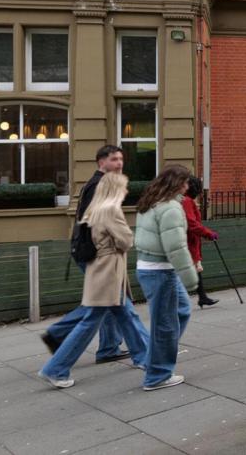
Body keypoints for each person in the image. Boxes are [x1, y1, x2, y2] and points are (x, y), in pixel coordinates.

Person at [38, 173, 149, 388]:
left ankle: (146, 358)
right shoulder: (110, 210)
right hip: (109, 272)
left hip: (102, 270)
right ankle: (56, 368)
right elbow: (126, 240)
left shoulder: (94, 209)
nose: (126, 192)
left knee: (128, 315)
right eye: (123, 187)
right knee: (91, 322)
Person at [134, 165, 199, 391]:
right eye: (185, 181)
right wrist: (191, 278)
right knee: (165, 325)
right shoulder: (171, 207)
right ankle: (157, 375)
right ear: (177, 183)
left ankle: (154, 359)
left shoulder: (150, 201)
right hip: (161, 271)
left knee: (181, 311)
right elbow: (176, 248)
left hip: (149, 268)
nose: (188, 186)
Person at [183, 176, 219, 308]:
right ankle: (197, 297)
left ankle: (202, 297)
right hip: (189, 240)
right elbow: (192, 223)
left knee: (196, 269)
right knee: (190, 268)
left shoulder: (187, 201)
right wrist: (208, 233)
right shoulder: (187, 201)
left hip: (192, 239)